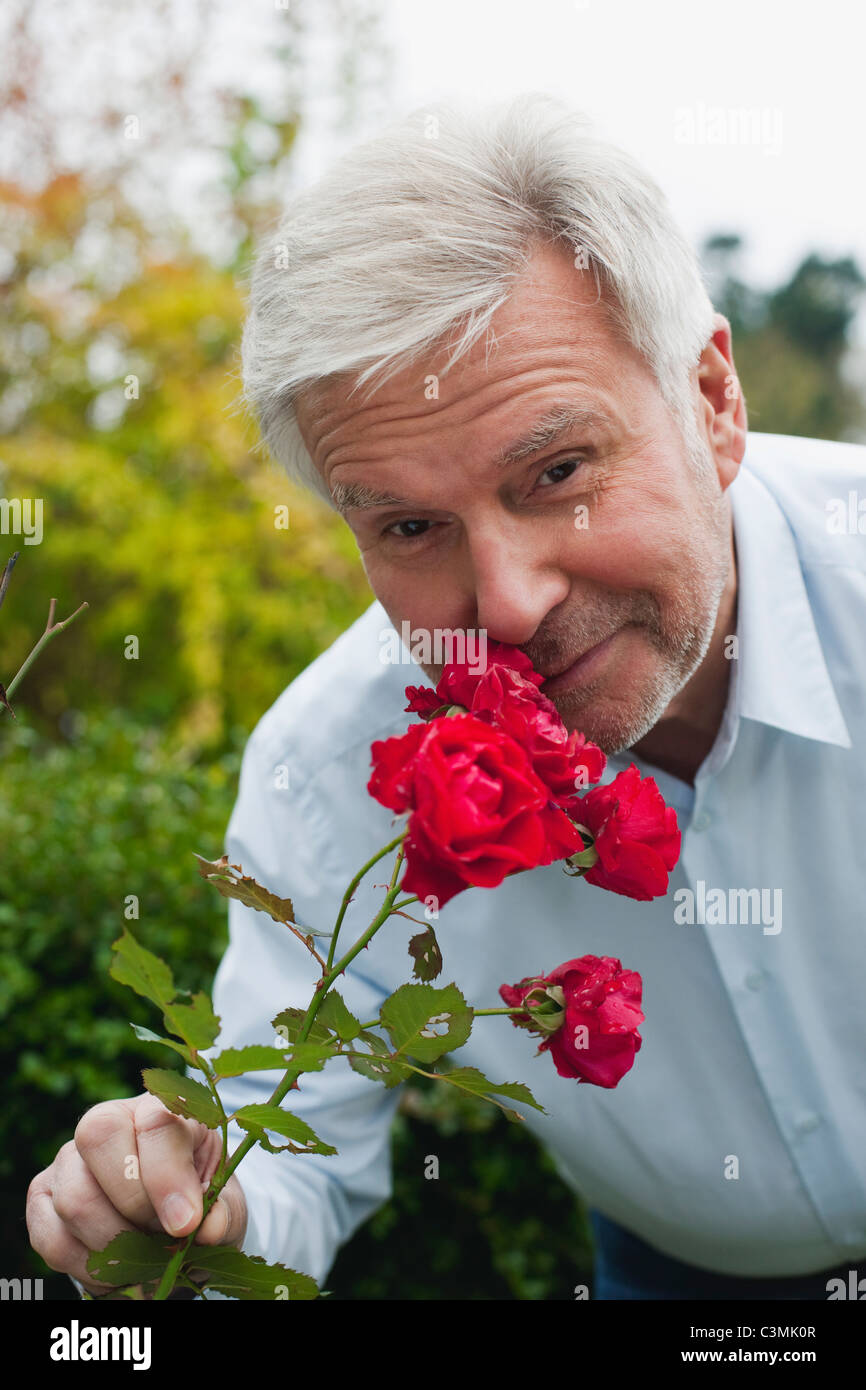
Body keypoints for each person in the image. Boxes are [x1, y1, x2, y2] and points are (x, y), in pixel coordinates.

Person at [26, 93, 866, 1301]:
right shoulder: (323, 774)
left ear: (712, 403)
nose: (508, 603)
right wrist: (188, 1203)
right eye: (411, 526)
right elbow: (290, 1161)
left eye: (556, 471)